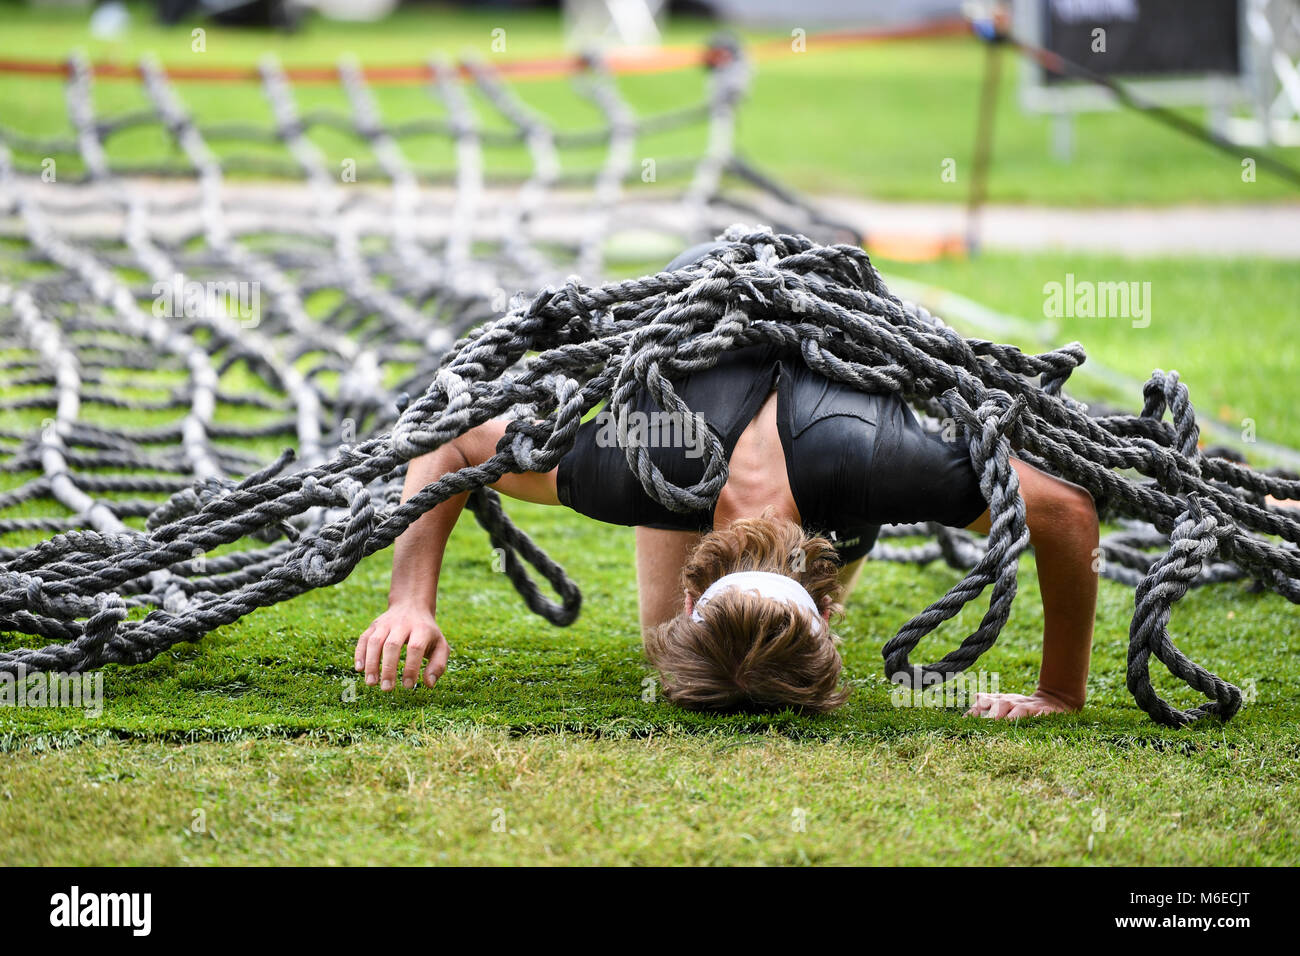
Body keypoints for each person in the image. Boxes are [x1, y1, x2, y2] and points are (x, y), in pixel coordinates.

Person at [355, 243, 1099, 719]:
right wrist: (407, 602)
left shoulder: (871, 466)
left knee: (713, 654)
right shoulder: (642, 463)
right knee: (673, 652)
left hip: (832, 323)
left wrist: (1060, 693)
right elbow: (453, 438)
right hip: (712, 300)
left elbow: (1064, 510)